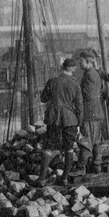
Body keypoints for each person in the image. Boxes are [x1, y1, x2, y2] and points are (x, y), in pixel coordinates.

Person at [39, 58, 83, 186]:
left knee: (48, 147)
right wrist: (79, 124)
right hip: (70, 120)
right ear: (73, 69)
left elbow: (43, 98)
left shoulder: (52, 81)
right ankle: (64, 178)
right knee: (69, 148)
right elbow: (80, 106)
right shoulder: (75, 84)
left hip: (54, 118)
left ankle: (41, 178)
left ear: (62, 68)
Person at [79, 51, 104, 173]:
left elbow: (88, 95)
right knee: (96, 141)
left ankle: (80, 168)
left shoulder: (89, 75)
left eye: (81, 61)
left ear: (88, 62)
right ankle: (96, 166)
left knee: (86, 140)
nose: (79, 63)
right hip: (96, 112)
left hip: (90, 112)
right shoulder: (93, 74)